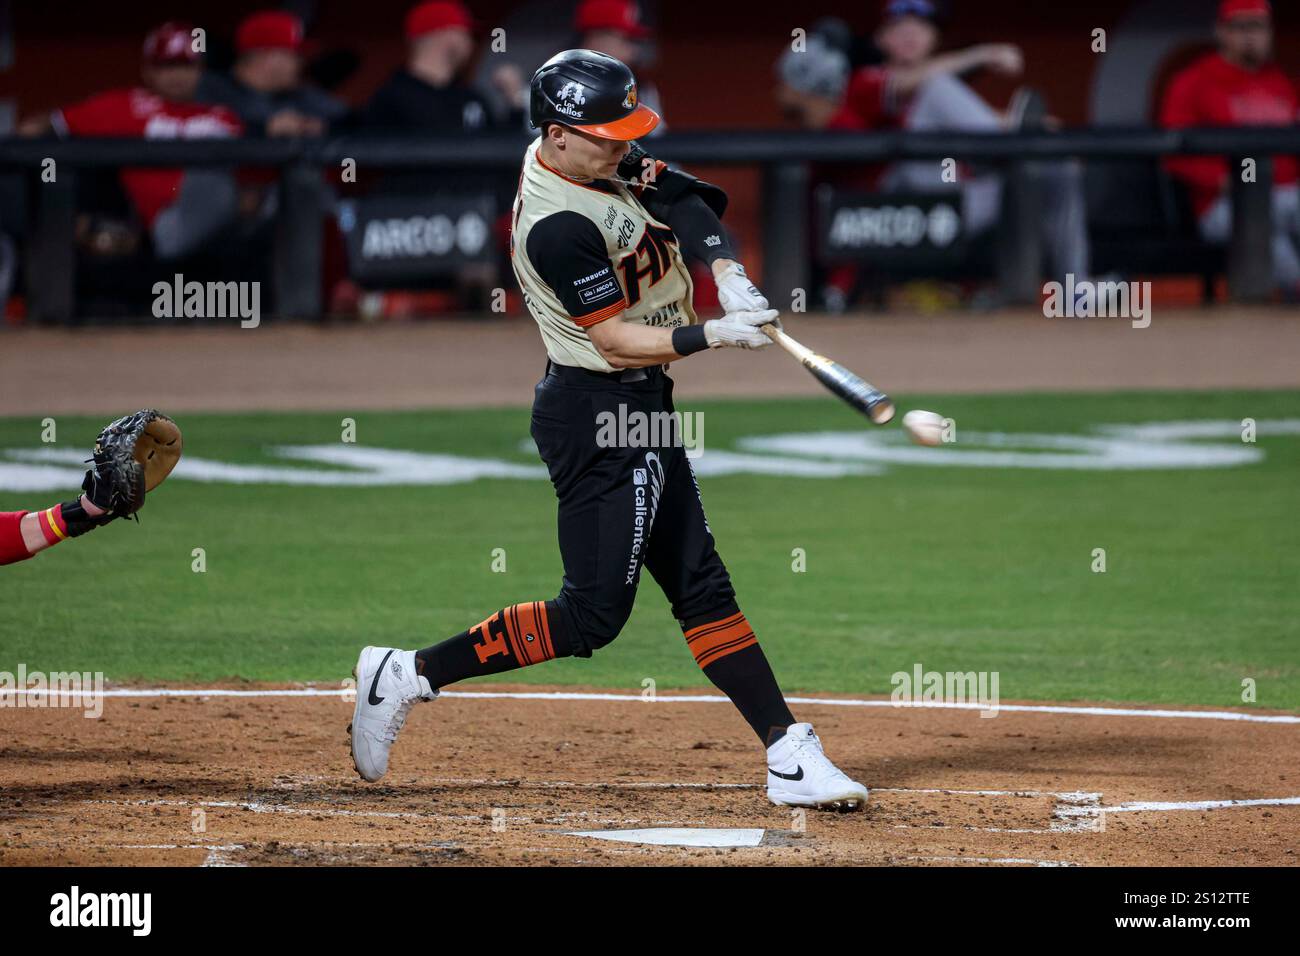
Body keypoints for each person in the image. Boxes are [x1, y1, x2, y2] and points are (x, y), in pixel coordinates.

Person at [347, 50, 870, 812]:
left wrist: (723, 268)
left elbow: (688, 196)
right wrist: (716, 336)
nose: (624, 147)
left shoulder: (599, 161)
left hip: (641, 406)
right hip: (599, 415)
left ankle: (789, 752)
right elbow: (617, 342)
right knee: (592, 617)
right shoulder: (559, 225)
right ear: (559, 135)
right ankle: (409, 673)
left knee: (700, 583)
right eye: (607, 135)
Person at [820, 0, 1092, 301]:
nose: (911, 32)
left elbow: (1022, 123)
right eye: (898, 25)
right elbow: (911, 83)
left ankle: (1075, 291)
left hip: (957, 204)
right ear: (879, 38)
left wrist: (1043, 133)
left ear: (935, 37)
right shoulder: (866, 80)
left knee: (1058, 169)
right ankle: (1007, 147)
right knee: (937, 87)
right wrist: (984, 54)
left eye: (923, 25)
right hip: (892, 208)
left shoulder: (944, 92)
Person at [17, 22, 244, 261]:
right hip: (163, 226)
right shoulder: (127, 105)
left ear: (201, 70)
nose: (177, 75)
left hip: (224, 224)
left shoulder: (223, 115)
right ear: (148, 71)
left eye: (186, 65)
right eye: (167, 65)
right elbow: (45, 125)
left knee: (229, 187)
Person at [1160, 0, 1300, 297]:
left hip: (1288, 195)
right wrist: (1222, 180)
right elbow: (1172, 152)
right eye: (1241, 26)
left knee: (1282, 209)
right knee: (1262, 220)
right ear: (1221, 31)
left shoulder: (1280, 83)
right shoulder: (1194, 81)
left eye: (1258, 26)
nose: (1250, 35)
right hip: (1223, 204)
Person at [362, 0, 526, 132]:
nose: (470, 43)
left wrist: (515, 101)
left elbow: (499, 154)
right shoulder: (390, 99)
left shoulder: (469, 98)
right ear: (449, 35)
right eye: (466, 33)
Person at [196, 9, 347, 136]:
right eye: (294, 55)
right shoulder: (210, 91)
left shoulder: (301, 95)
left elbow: (350, 120)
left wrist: (323, 127)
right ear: (266, 57)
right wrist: (263, 129)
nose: (301, 62)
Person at [574, 0, 664, 132]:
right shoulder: (548, 87)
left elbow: (659, 146)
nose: (634, 52)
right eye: (625, 40)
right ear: (596, 37)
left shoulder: (643, 91)